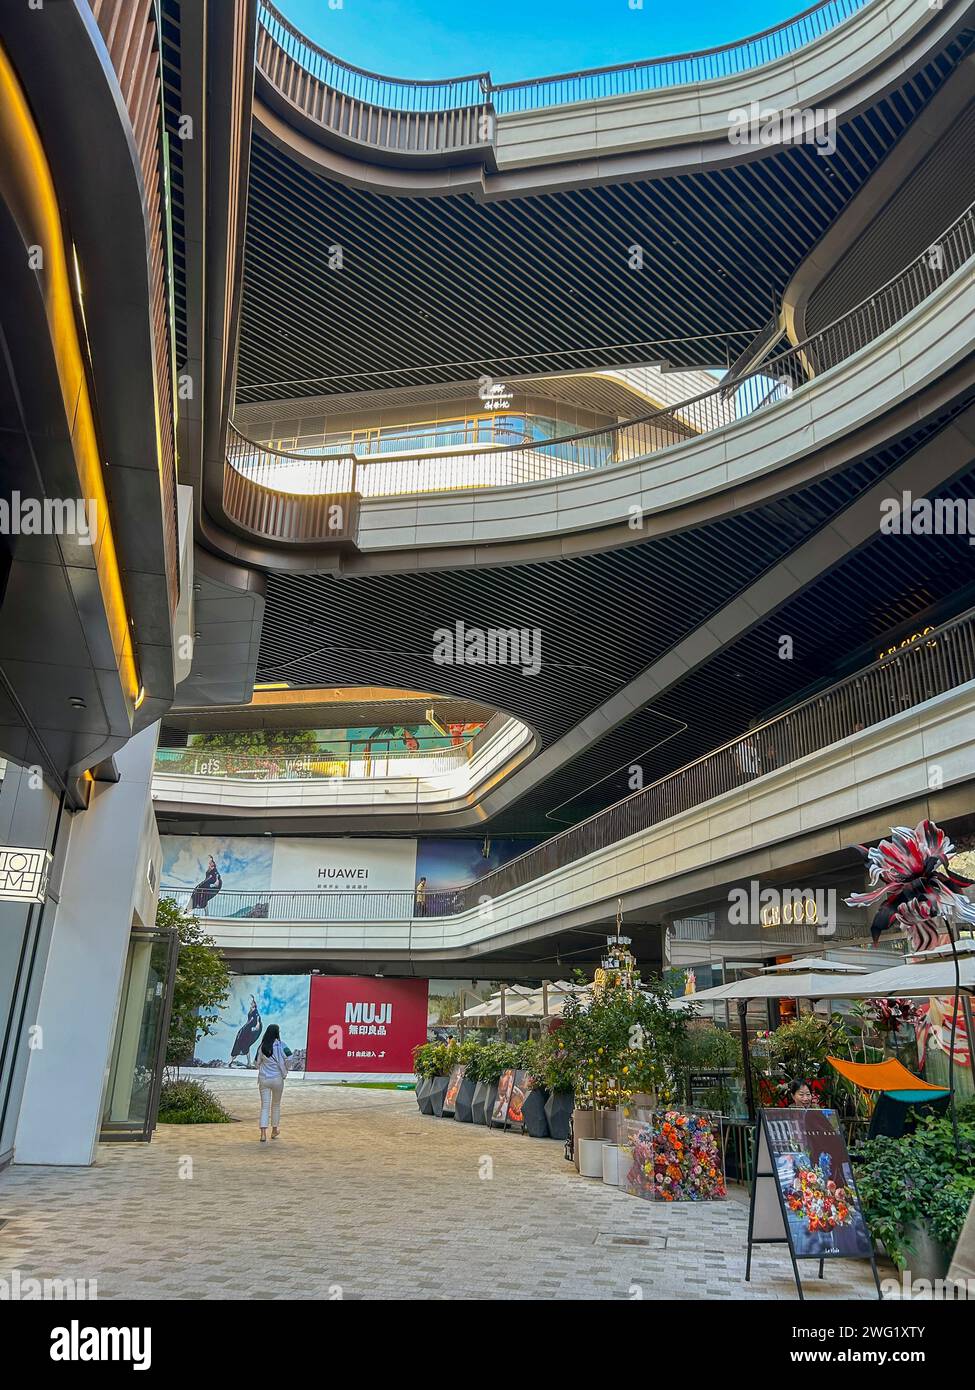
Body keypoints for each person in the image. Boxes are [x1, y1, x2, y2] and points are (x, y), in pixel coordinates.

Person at [256, 1024, 293, 1142]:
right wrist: (285, 1068)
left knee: (264, 1106)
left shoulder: (261, 1047)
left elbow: (256, 1063)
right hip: (277, 1079)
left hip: (264, 1079)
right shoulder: (282, 1046)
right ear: (277, 1033)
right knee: (276, 1105)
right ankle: (274, 1130)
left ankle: (262, 1134)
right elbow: (290, 1057)